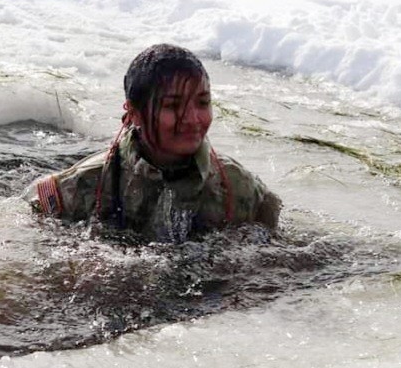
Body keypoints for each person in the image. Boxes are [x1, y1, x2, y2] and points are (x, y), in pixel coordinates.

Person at [25, 43, 281, 242]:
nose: (192, 119)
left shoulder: (243, 192)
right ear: (133, 112)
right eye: (172, 105)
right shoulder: (73, 192)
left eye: (202, 103)